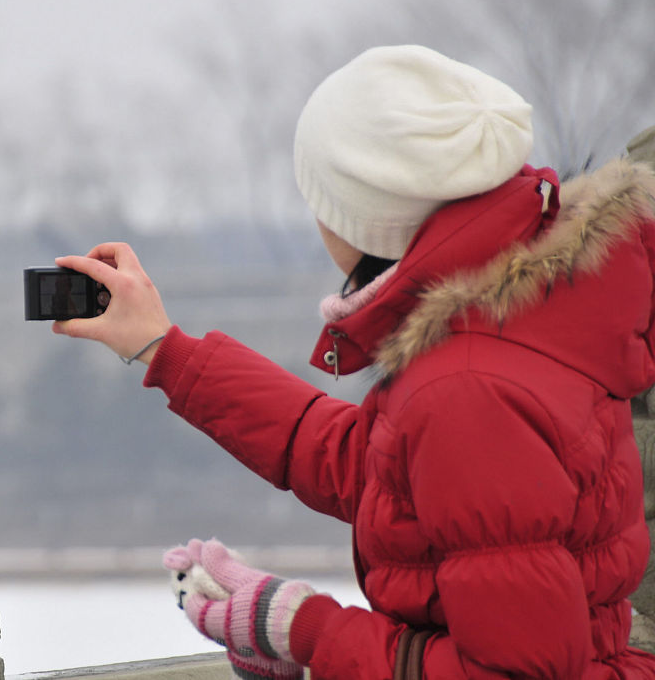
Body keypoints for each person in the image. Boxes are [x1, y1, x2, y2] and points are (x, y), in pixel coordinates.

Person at [52, 45, 655, 678]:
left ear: (367, 218)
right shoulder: (515, 319)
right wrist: (166, 350)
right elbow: (378, 471)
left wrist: (306, 630)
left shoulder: (467, 388)